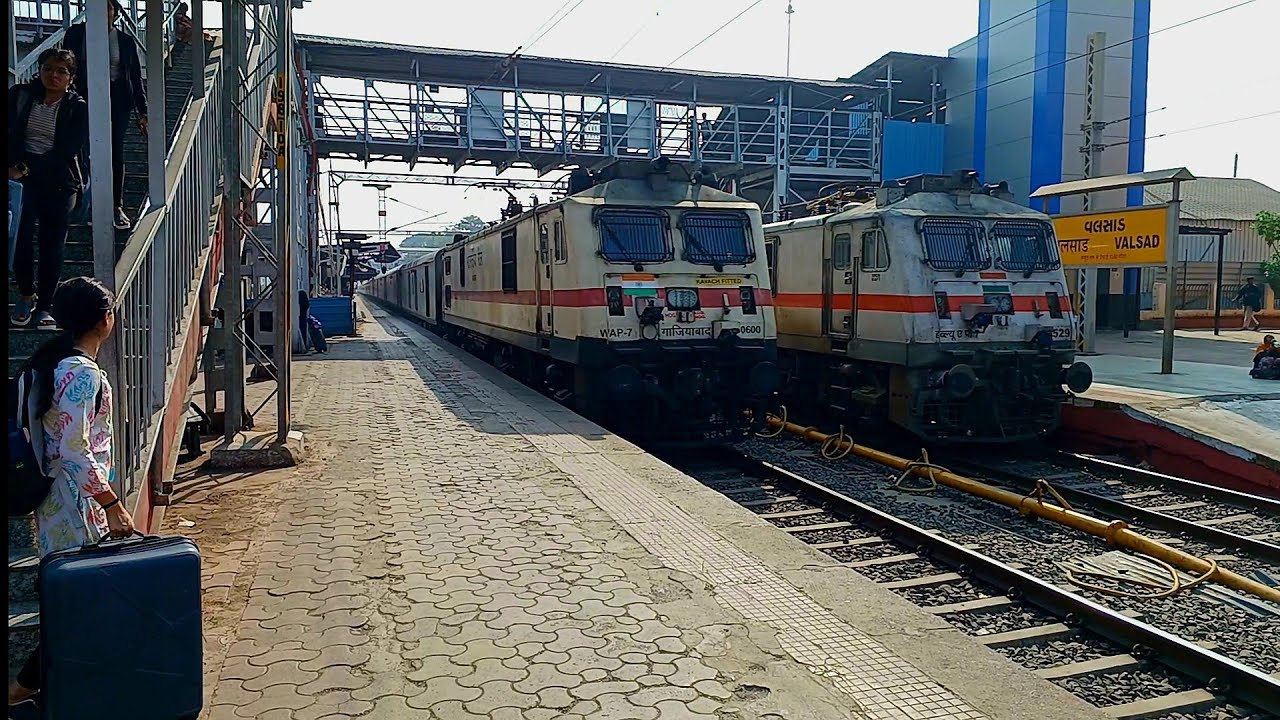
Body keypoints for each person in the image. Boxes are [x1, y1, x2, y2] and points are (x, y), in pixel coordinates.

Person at [7, 276, 134, 707]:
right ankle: (28, 686)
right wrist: (112, 505)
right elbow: (76, 449)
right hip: (79, 504)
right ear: (103, 320)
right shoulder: (80, 373)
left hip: (56, 501)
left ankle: (44, 687)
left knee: (73, 599)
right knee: (80, 602)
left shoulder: (55, 364)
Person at [8, 48, 89, 328]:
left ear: (71, 77)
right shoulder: (20, 96)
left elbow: (67, 150)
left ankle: (45, 305)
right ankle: (26, 296)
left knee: (51, 244)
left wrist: (28, 168)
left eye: (61, 71)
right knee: (21, 238)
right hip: (22, 180)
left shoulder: (77, 107)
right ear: (39, 69)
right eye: (48, 68)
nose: (53, 75)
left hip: (59, 181)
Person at [63, 0, 148, 231]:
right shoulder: (76, 34)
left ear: (115, 14)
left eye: (108, 8)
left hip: (117, 100)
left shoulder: (125, 41)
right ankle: (86, 203)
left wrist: (143, 111)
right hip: (84, 98)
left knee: (114, 151)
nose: (102, 12)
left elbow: (134, 77)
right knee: (83, 149)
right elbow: (66, 66)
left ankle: (115, 205)